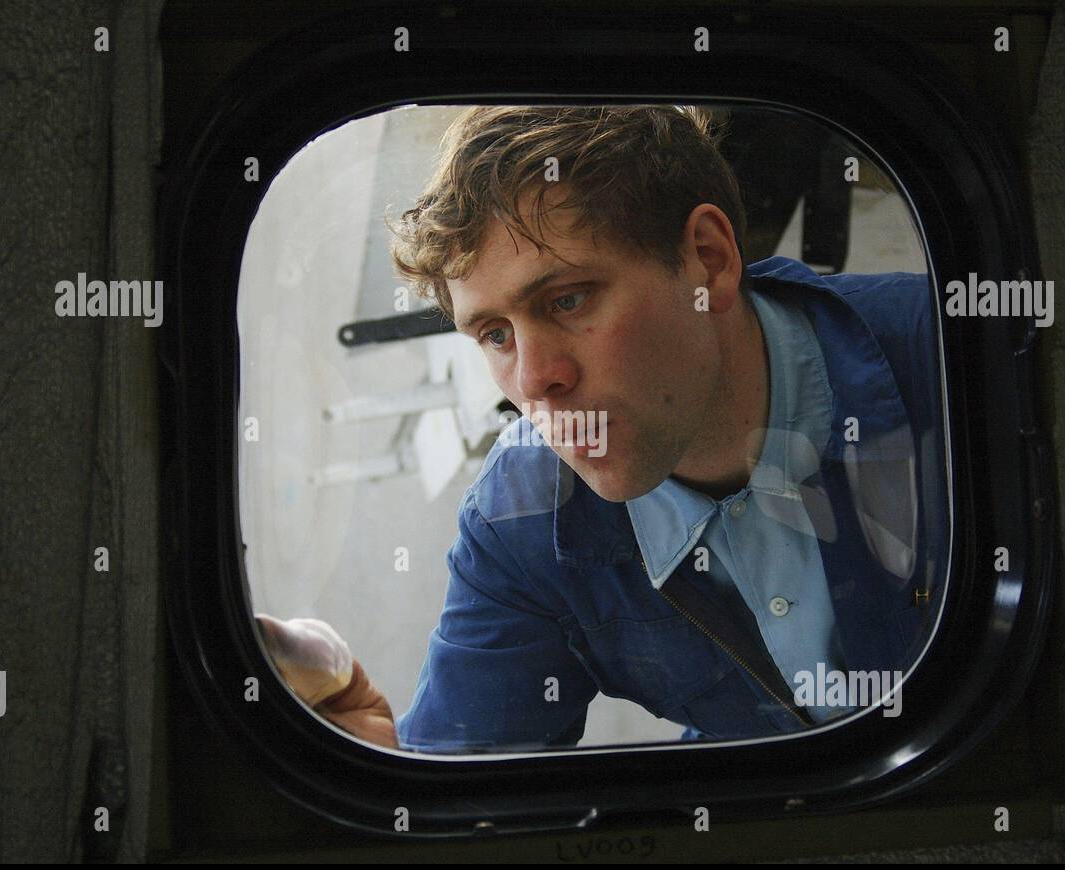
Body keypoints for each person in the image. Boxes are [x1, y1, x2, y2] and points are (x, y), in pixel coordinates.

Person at [257, 105, 943, 753]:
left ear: (709, 259)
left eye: (568, 299)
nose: (531, 381)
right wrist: (382, 765)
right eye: (495, 335)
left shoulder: (954, 365)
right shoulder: (521, 524)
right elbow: (471, 795)